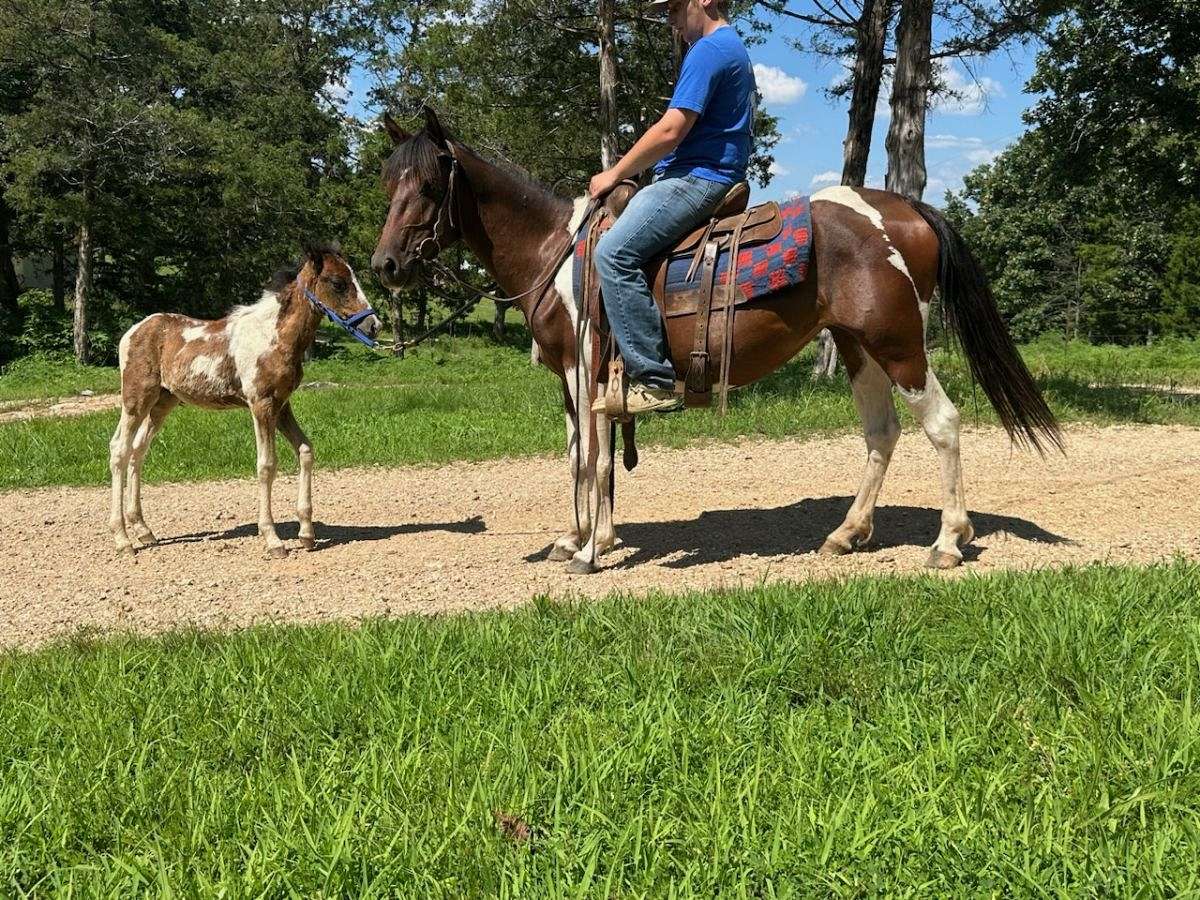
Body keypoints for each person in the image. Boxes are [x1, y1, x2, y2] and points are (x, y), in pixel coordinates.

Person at [589, 0, 756, 415]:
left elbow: (671, 128)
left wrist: (614, 173)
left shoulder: (709, 50)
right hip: (708, 174)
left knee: (612, 253)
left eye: (676, 9)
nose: (671, 21)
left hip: (699, 178)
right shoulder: (731, 47)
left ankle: (654, 379)